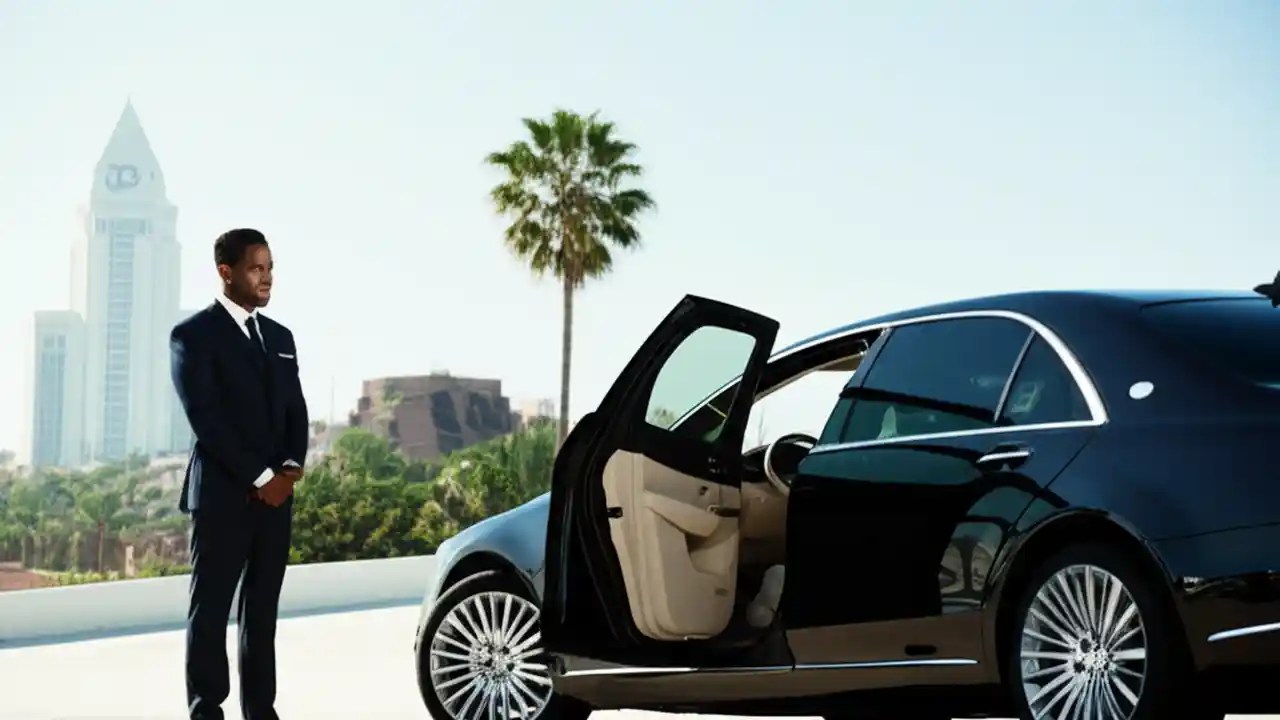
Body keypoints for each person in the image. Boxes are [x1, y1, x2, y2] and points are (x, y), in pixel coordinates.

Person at [170, 228, 309, 720]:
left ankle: (260, 710)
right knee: (210, 611)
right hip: (222, 498)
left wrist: (288, 472)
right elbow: (206, 419)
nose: (266, 278)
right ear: (226, 273)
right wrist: (260, 477)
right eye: (256, 268)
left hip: (277, 498)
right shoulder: (192, 336)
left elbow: (295, 411)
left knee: (262, 611)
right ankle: (206, 709)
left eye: (270, 268)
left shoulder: (281, 338)